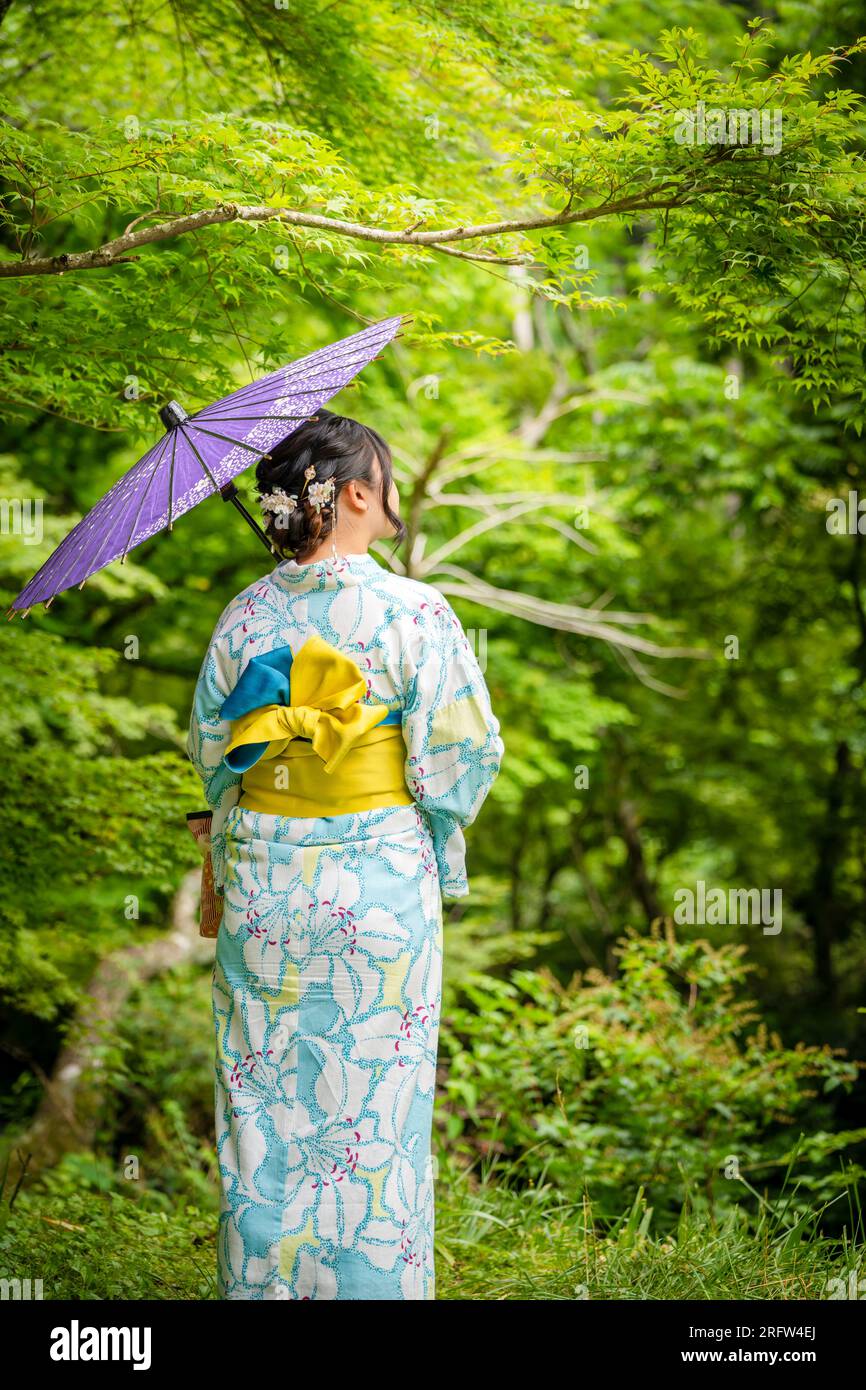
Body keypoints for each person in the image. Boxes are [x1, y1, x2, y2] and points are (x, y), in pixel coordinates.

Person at [187, 409, 504, 1300]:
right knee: (377, 1111)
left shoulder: (244, 615)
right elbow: (461, 757)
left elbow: (215, 758)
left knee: (261, 1107)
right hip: (377, 896)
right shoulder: (415, 610)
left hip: (265, 893)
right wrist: (437, 841)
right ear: (359, 494)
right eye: (388, 478)